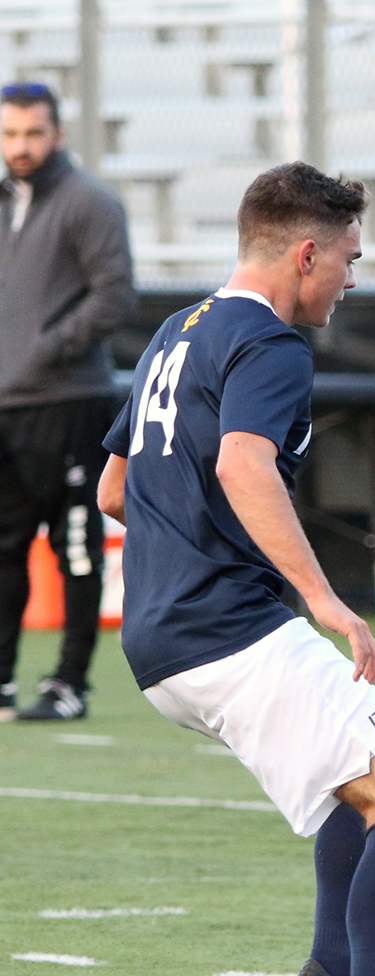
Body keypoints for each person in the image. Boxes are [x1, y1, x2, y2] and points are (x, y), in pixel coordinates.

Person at [98, 163, 375, 976]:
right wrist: (323, 601)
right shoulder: (272, 345)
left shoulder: (175, 330)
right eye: (350, 259)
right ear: (306, 253)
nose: (353, 280)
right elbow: (244, 466)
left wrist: (187, 543)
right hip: (225, 627)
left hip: (162, 636)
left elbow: (119, 486)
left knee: (358, 779)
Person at [0, 82, 136, 721]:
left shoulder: (90, 203)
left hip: (71, 401)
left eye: (32, 133)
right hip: (6, 408)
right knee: (4, 547)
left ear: (57, 134)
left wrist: (45, 349)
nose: (20, 146)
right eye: (9, 134)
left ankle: (68, 685)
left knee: (76, 548)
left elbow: (114, 296)